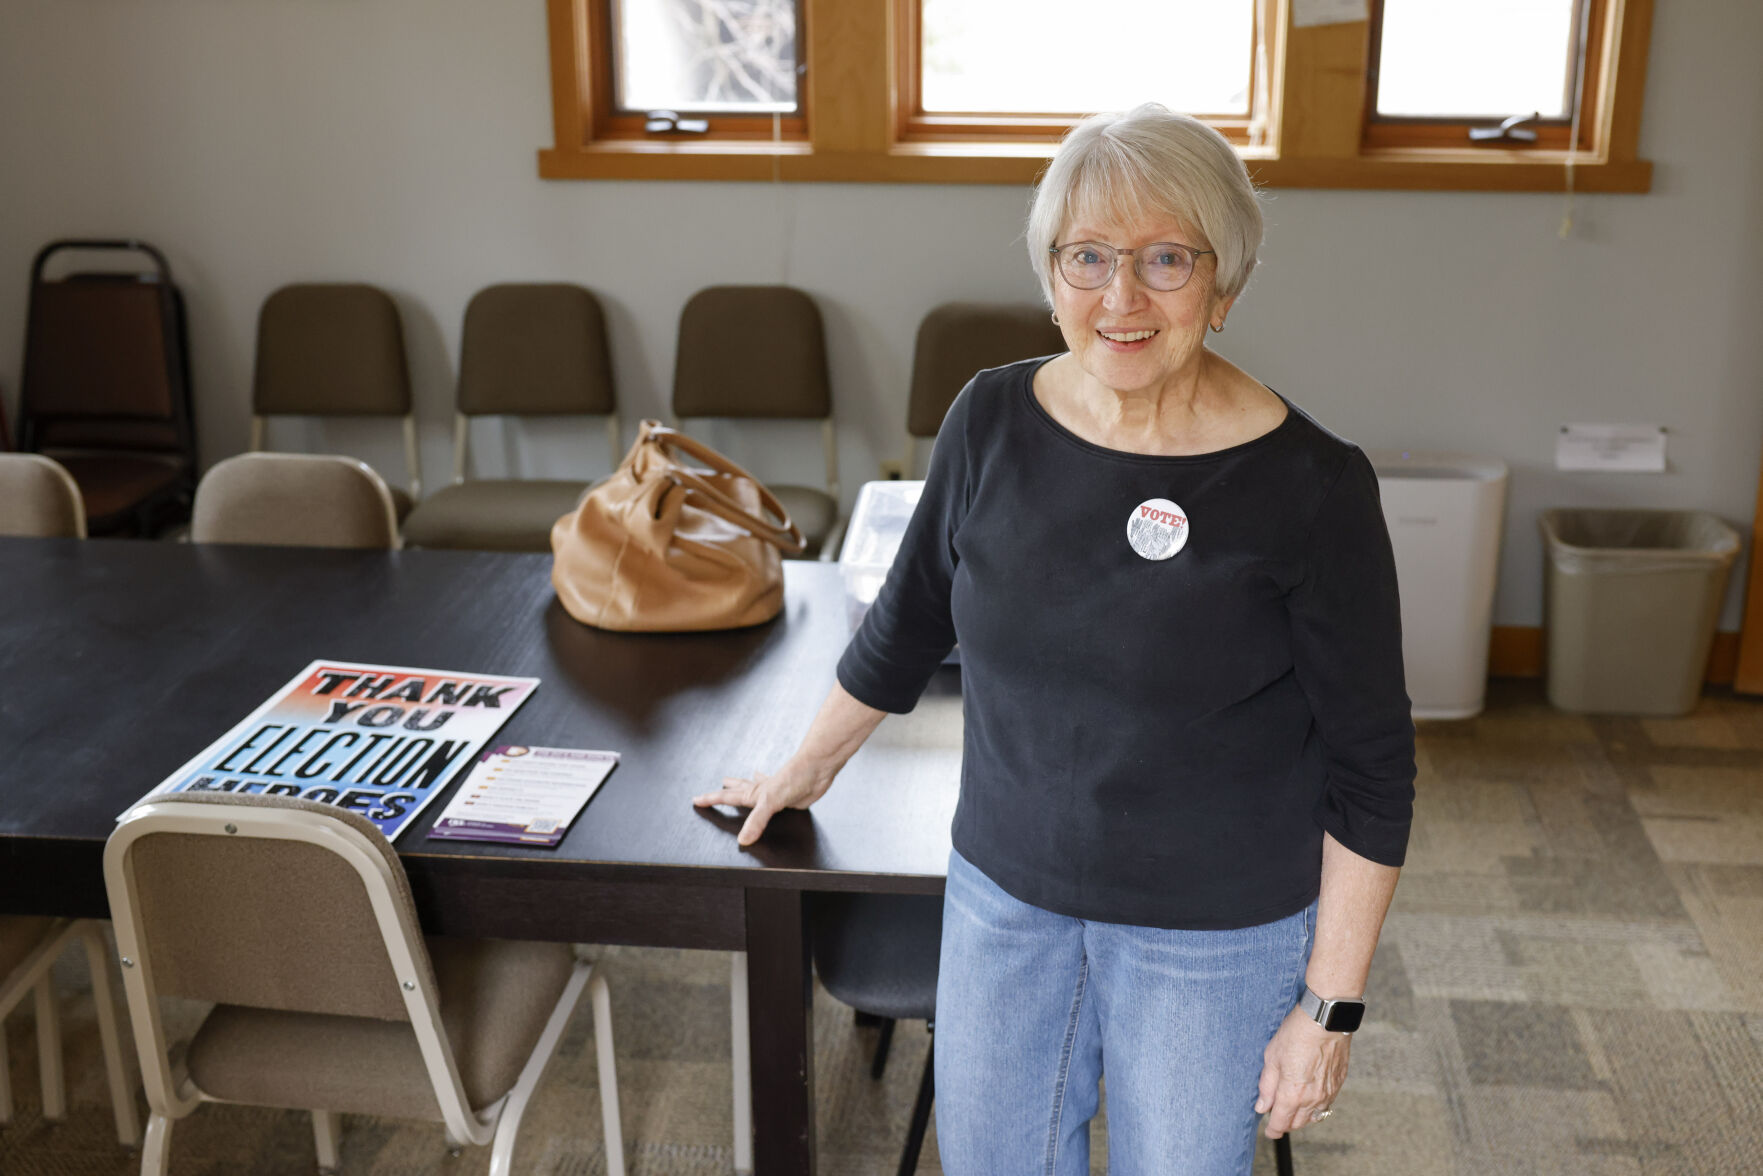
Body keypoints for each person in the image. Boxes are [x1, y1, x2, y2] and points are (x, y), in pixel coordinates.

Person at [693, 103, 1415, 1175]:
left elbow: (1372, 768)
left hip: (1209, 932)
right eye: (1086, 257)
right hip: (1005, 899)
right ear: (1048, 272)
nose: (1119, 296)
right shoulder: (989, 422)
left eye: (1164, 258)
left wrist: (1328, 1006)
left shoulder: (1309, 486)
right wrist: (800, 773)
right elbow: (903, 627)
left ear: (1225, 285)